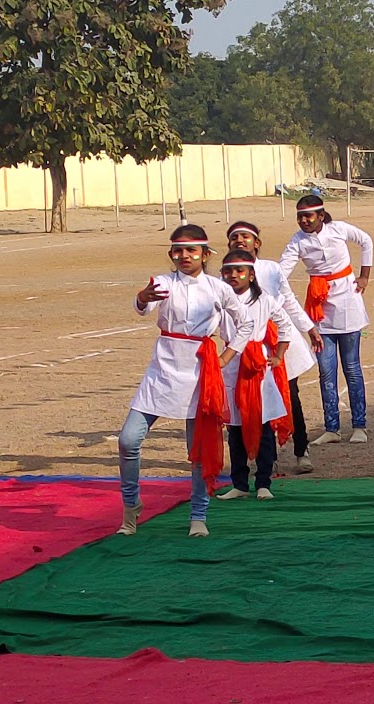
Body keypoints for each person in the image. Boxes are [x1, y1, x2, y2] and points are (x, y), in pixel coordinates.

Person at [117, 225, 252, 538]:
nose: (184, 256)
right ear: (171, 254)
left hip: (201, 372)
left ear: (205, 255)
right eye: (178, 251)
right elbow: (143, 308)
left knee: (199, 449)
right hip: (162, 369)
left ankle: (198, 515)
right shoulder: (164, 282)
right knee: (128, 439)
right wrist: (142, 297)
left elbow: (245, 323)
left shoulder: (219, 289)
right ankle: (130, 506)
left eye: (191, 250)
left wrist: (226, 357)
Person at [227, 222, 323, 474]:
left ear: (256, 243)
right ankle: (266, 456)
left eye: (245, 236)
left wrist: (309, 327)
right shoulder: (227, 275)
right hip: (248, 347)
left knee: (289, 394)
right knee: (255, 400)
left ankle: (301, 450)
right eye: (234, 237)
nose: (240, 240)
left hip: (280, 340)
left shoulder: (271, 269)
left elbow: (288, 301)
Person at [279, 195, 374, 446]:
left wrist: (364, 276)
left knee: (352, 368)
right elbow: (281, 272)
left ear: (321, 216)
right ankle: (331, 427)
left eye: (308, 216)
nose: (303, 221)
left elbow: (366, 241)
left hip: (348, 302)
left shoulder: (338, 229)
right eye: (300, 216)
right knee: (326, 371)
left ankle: (359, 425)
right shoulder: (297, 241)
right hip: (319, 309)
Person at [214, 250, 293, 501]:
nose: (233, 275)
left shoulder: (265, 300)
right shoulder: (218, 301)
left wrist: (278, 354)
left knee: (263, 426)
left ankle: (263, 483)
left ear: (251, 274)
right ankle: (239, 483)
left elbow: (285, 325)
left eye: (240, 270)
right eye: (228, 271)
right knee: (235, 428)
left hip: (257, 365)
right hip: (229, 365)